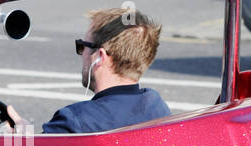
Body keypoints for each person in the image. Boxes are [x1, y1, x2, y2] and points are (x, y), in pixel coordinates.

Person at [14, 7, 170, 134]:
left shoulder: (75, 122)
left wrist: (20, 139)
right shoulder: (157, 107)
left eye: (83, 46)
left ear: (100, 56)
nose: (82, 54)